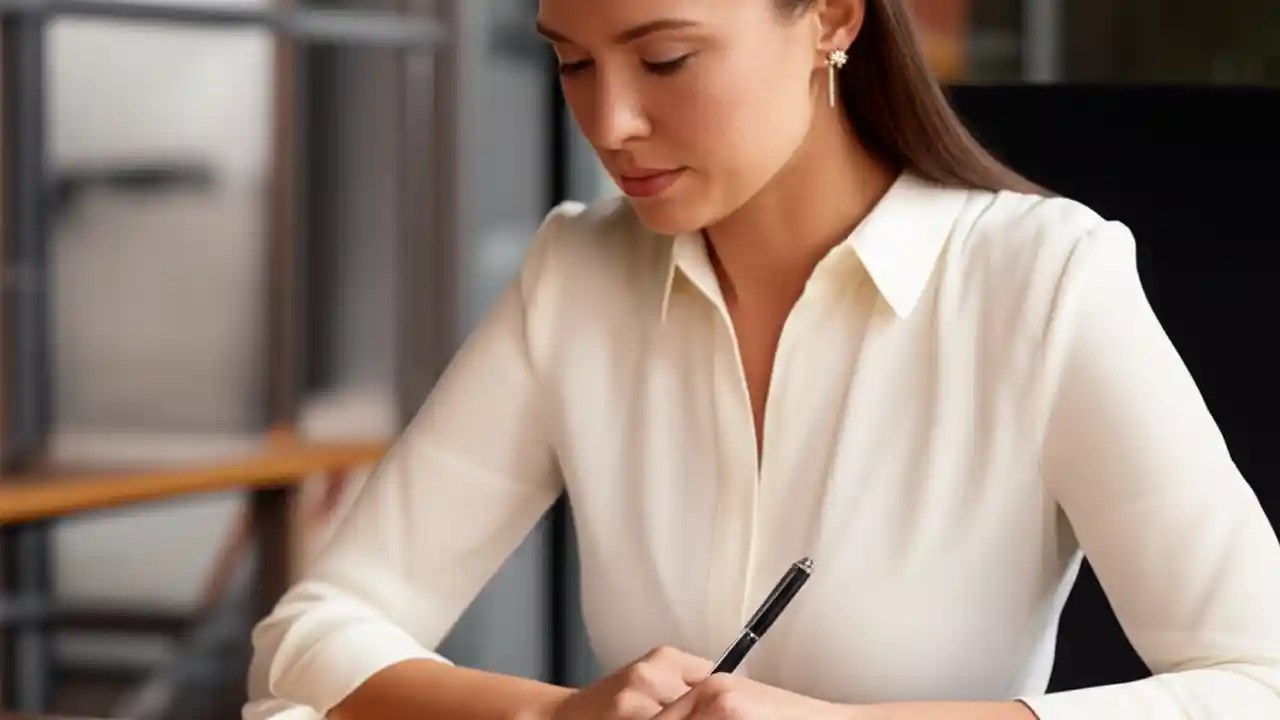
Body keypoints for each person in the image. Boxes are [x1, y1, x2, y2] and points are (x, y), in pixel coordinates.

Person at [243, 0, 1280, 718]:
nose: (610, 122)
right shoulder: (576, 272)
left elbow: (1256, 682)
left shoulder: (1043, 280)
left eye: (664, 59)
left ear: (830, 18)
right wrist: (550, 716)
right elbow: (314, 633)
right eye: (570, 60)